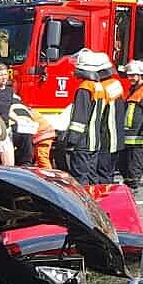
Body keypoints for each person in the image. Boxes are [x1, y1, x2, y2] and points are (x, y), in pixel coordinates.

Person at [58, 49, 125, 184]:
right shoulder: (100, 87)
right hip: (97, 142)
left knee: (81, 178)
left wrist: (71, 140)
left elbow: (79, 119)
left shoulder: (85, 88)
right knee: (93, 178)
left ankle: (84, 204)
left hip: (84, 142)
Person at [119, 60, 143, 191]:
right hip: (128, 134)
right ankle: (127, 183)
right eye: (128, 75)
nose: (129, 78)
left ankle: (133, 186)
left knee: (134, 164)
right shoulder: (133, 90)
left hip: (139, 135)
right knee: (123, 162)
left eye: (132, 75)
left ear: (140, 75)